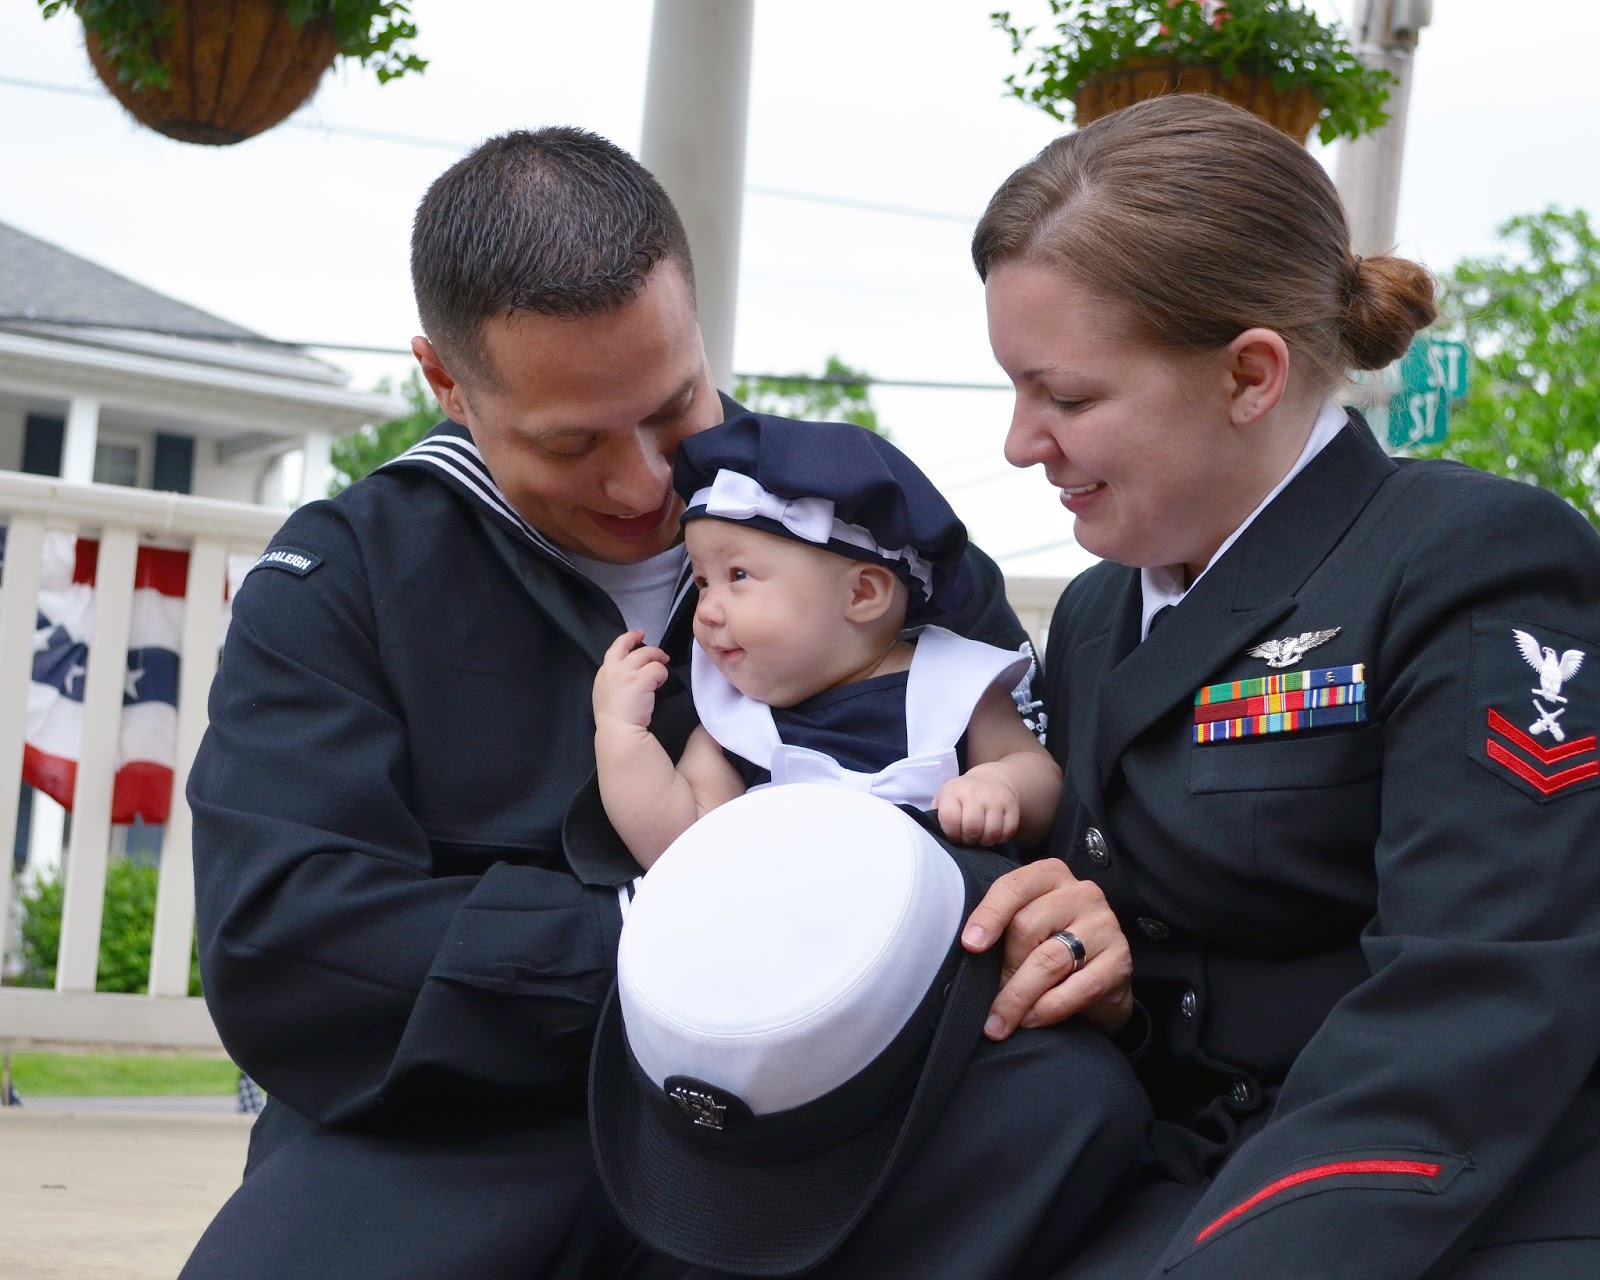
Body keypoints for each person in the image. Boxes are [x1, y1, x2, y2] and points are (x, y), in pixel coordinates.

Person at [178, 126, 1140, 1280]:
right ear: (444, 379)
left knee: (1073, 1110)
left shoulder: (867, 533)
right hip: (478, 1125)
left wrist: (1052, 918)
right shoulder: (345, 578)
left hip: (844, 1117)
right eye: (571, 440)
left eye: (673, 404)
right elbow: (285, 940)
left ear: (695, 325)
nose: (643, 482)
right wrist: (687, 957)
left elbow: (1019, 829)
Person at [957, 94, 1600, 1279]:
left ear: (1250, 374)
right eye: (1013, 388)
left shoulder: (1473, 560)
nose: (1017, 441)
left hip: (1436, 1202)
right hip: (1166, 1169)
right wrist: (1097, 979)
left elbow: (1478, 1006)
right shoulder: (1100, 613)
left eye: (1068, 396)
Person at [593, 412, 1061, 865]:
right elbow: (680, 845)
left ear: (861, 593)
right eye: (702, 582)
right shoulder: (736, 723)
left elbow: (1040, 776)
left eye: (738, 575)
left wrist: (1002, 785)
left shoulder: (955, 685)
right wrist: (622, 735)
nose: (707, 610)